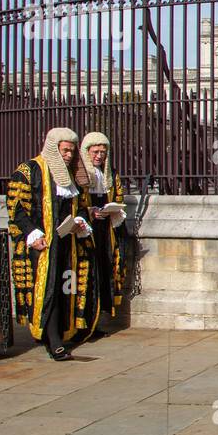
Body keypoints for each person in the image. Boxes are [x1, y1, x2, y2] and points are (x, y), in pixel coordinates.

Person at [7, 128, 99, 360]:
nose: (68, 155)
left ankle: (60, 333)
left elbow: (80, 206)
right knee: (47, 290)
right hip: (43, 243)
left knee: (64, 288)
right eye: (64, 150)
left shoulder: (74, 174)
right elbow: (16, 208)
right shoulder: (28, 170)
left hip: (68, 243)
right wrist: (33, 234)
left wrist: (79, 220)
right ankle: (53, 341)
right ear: (53, 148)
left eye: (71, 150)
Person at [81, 132, 129, 326]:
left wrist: (113, 210)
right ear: (87, 152)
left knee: (104, 270)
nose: (99, 156)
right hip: (86, 231)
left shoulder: (111, 174)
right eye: (95, 151)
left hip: (105, 230)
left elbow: (118, 198)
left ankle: (101, 317)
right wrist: (89, 212)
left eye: (103, 152)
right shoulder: (80, 174)